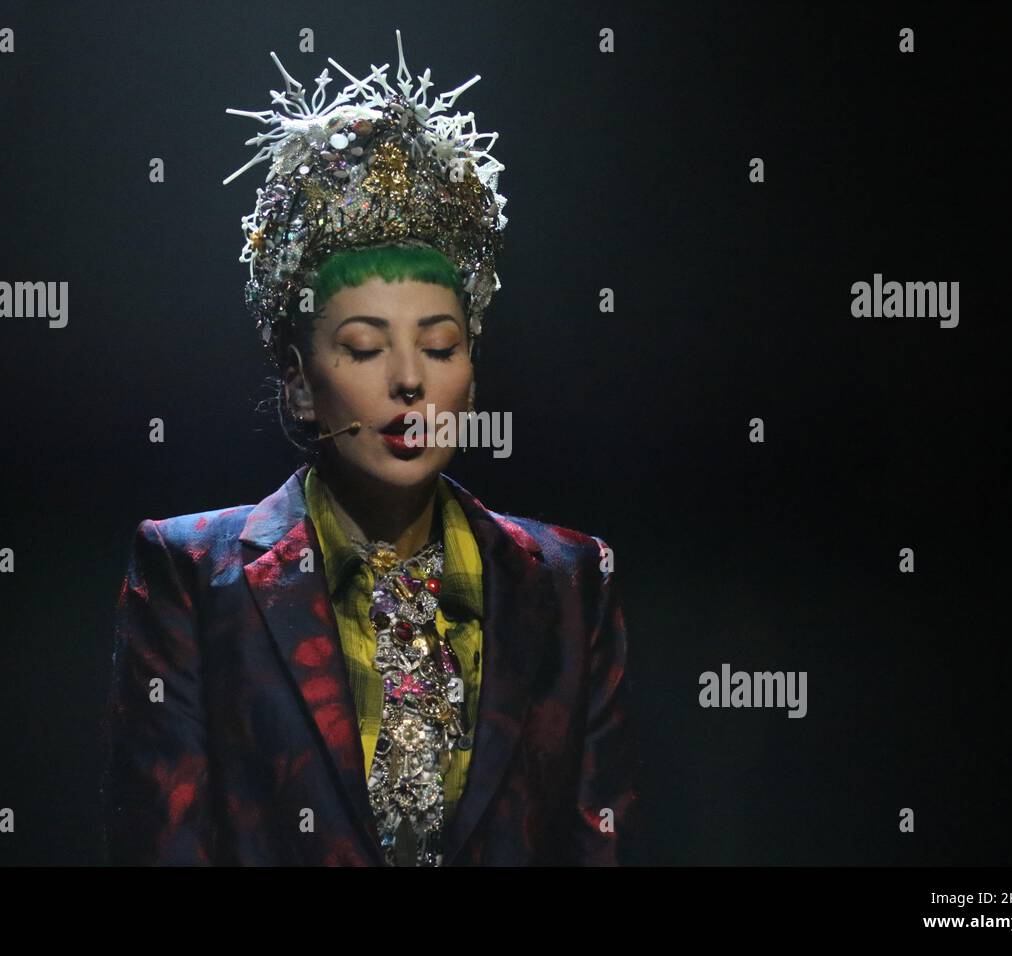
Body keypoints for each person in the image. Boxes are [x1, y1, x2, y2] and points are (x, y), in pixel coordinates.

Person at [102, 31, 638, 866]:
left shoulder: (567, 581)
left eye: (440, 345)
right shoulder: (194, 575)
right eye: (361, 347)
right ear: (297, 379)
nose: (408, 383)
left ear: (471, 367)